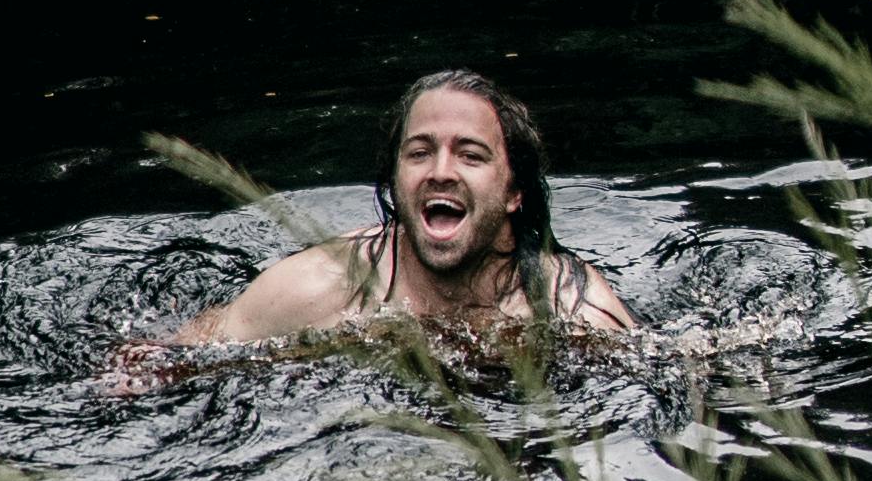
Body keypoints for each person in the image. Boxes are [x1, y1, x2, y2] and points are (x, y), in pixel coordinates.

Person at [123, 66, 635, 375]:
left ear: (514, 193)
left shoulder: (570, 307)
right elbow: (170, 357)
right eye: (419, 153)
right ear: (394, 180)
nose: (440, 172)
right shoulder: (319, 286)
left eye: (470, 155)